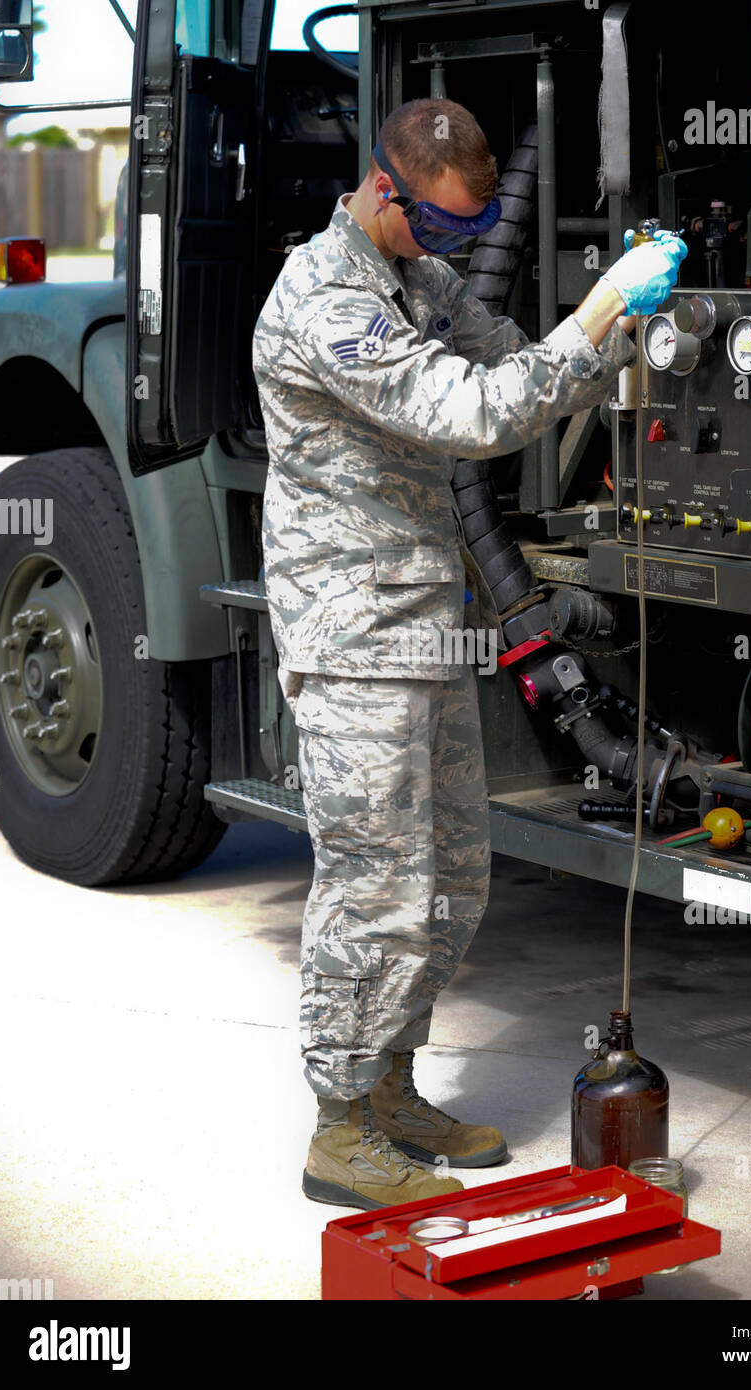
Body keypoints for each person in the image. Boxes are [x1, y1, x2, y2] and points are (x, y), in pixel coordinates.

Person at [252, 98, 685, 1211]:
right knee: (374, 885)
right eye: (440, 229)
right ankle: (338, 1124)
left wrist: (619, 324)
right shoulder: (327, 300)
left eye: (470, 229)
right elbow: (473, 410)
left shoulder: (419, 286)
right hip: (354, 638)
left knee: (448, 878)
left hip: (419, 630)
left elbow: (526, 369)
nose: (454, 251)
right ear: (383, 189)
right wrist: (593, 315)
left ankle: (391, 1082)